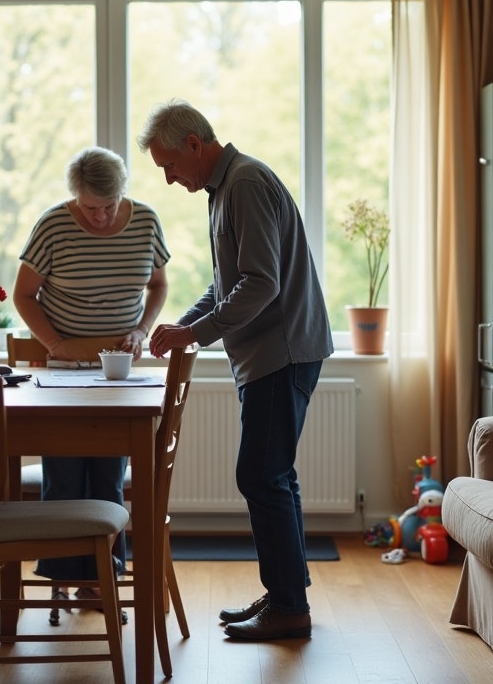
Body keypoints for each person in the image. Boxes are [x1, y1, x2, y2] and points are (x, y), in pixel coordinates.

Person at [138, 98, 333, 642]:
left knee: (260, 476)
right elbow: (228, 283)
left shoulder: (244, 183)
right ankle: (287, 596)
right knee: (275, 477)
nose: (171, 179)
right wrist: (181, 325)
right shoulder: (224, 188)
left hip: (282, 351)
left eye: (170, 166)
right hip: (273, 353)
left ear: (195, 146)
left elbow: (261, 284)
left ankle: (290, 607)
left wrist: (195, 334)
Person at [13, 145, 170, 624]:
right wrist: (55, 343)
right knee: (64, 475)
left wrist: (143, 329)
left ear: (122, 193)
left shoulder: (144, 220)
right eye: (90, 208)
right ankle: (67, 578)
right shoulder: (53, 225)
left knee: (107, 477)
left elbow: (158, 284)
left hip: (117, 371)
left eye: (108, 206)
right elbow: (23, 294)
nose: (100, 218)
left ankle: (103, 578)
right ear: (75, 198)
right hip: (62, 369)